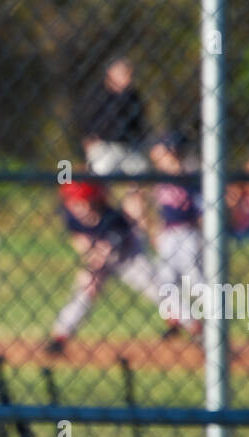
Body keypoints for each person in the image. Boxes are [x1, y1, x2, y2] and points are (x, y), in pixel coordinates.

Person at [46, 179, 161, 353]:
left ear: (96, 200)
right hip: (97, 256)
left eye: (83, 202)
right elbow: (80, 241)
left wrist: (96, 257)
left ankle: (193, 326)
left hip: (127, 256)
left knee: (155, 287)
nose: (78, 207)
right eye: (73, 202)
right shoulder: (69, 214)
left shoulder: (114, 219)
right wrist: (90, 259)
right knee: (86, 289)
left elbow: (110, 248)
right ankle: (60, 336)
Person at [147, 132, 204, 338]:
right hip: (168, 233)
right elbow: (158, 208)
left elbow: (202, 209)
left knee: (195, 280)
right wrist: (156, 229)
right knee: (165, 280)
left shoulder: (189, 176)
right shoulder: (161, 177)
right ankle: (179, 320)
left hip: (188, 232)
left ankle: (214, 319)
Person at [80, 57, 149, 177]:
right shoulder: (97, 94)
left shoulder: (133, 96)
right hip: (103, 145)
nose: (128, 78)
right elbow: (86, 123)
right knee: (101, 170)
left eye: (130, 74)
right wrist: (89, 139)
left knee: (142, 171)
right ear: (111, 73)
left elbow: (139, 125)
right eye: (124, 74)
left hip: (129, 146)